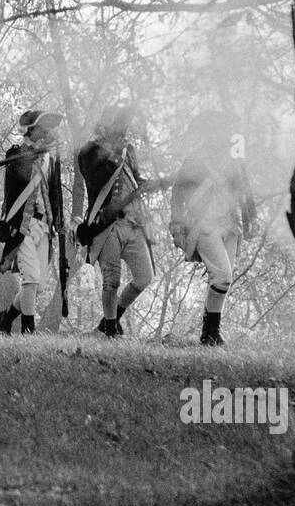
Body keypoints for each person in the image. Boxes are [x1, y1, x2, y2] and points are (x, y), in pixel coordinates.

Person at [169, 110, 256, 346]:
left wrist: (250, 219)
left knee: (222, 280)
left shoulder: (235, 159)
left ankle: (210, 333)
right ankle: (210, 333)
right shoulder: (194, 160)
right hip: (204, 225)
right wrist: (177, 223)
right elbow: (177, 192)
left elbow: (245, 190)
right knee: (223, 276)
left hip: (230, 224)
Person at [76, 104, 155, 337]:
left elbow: (136, 177)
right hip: (106, 224)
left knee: (144, 277)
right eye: (120, 125)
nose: (124, 130)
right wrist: (112, 154)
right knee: (111, 280)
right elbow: (93, 178)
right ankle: (110, 330)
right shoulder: (89, 151)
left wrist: (146, 184)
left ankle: (110, 320)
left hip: (133, 222)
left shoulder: (128, 149)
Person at [0, 110, 65, 335]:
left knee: (38, 286)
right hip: (21, 226)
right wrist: (36, 152)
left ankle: (5, 318)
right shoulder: (16, 153)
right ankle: (28, 332)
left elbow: (55, 192)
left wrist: (60, 222)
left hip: (43, 227)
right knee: (31, 279)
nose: (48, 131)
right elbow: (19, 175)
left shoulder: (51, 158)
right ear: (31, 130)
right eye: (43, 127)